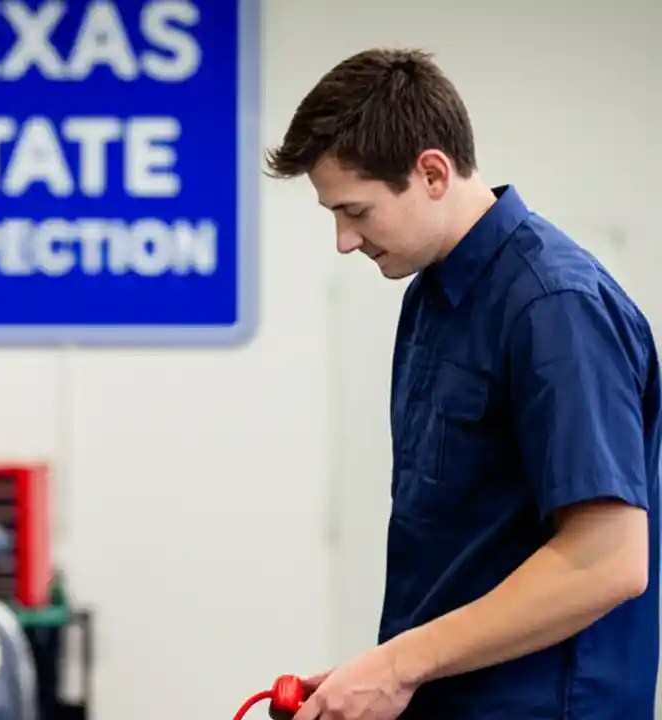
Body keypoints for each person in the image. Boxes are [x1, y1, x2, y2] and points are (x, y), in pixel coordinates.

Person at [265, 48, 661, 719]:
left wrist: (397, 664)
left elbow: (610, 559)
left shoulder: (553, 305)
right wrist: (376, 674)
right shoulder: (434, 296)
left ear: (432, 172)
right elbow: (469, 557)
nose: (343, 240)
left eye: (356, 211)